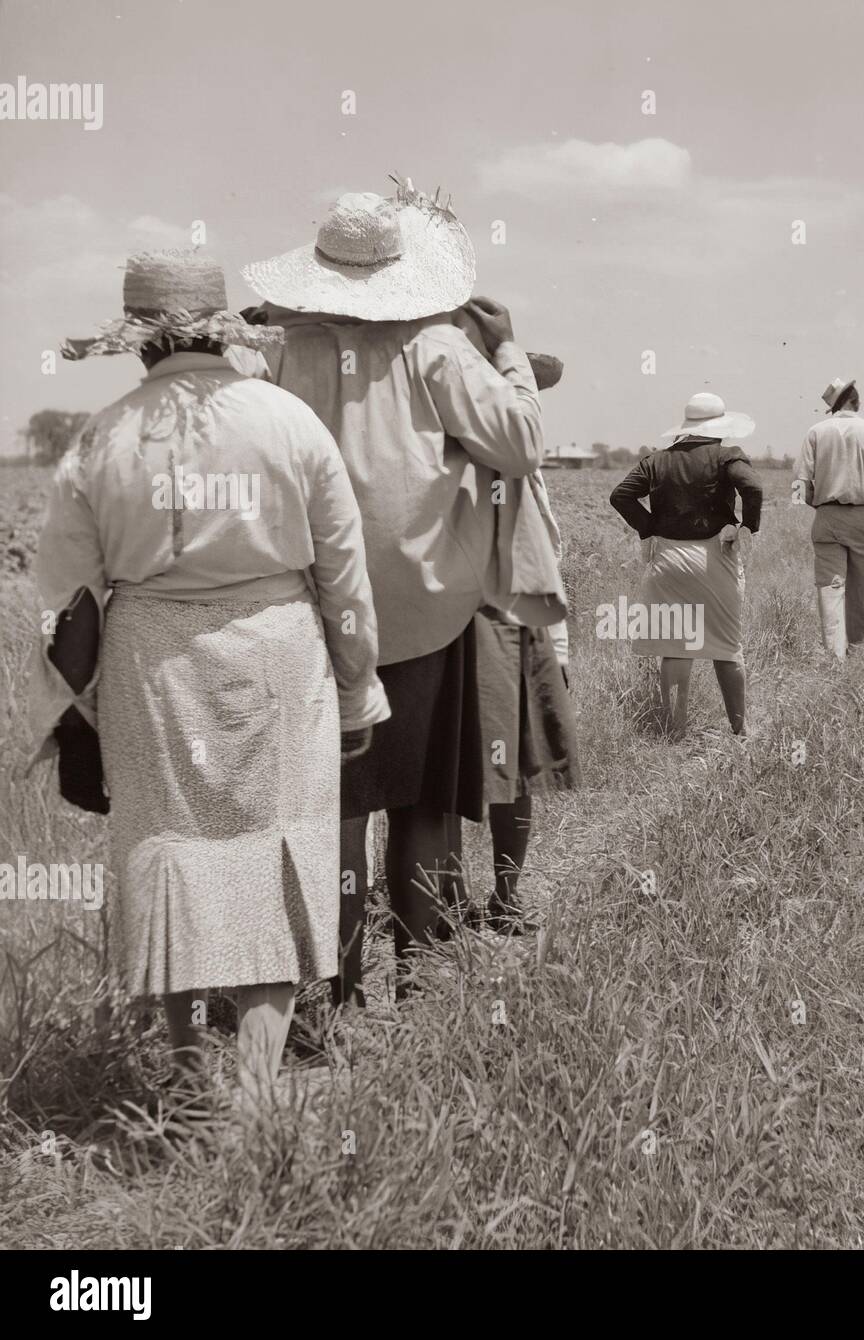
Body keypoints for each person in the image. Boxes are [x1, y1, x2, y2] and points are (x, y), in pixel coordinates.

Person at [32, 251, 388, 1101]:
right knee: (277, 851)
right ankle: (262, 1085)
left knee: (173, 852)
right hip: (277, 654)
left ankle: (189, 1078)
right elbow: (343, 576)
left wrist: (69, 713)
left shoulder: (100, 437)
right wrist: (358, 686)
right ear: (222, 329)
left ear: (138, 340)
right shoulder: (291, 422)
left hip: (151, 665)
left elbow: (65, 602)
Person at [242, 182, 573, 994]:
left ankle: (339, 985)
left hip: (314, 610)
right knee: (422, 805)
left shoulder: (283, 351)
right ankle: (420, 977)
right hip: (428, 606)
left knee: (336, 810)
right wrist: (509, 356)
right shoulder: (436, 348)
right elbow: (521, 443)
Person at [609, 392, 762, 737]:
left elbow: (620, 495)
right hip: (714, 556)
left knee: (677, 646)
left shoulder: (656, 460)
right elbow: (752, 487)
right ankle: (739, 731)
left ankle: (675, 731)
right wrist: (746, 527)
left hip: (667, 560)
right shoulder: (726, 456)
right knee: (726, 647)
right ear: (718, 427)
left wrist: (648, 528)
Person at [794, 377, 864, 659]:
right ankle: (860, 655)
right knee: (863, 591)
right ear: (856, 401)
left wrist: (821, 505)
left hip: (827, 517)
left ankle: (834, 660)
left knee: (830, 591)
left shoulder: (816, 432)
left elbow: (799, 485)